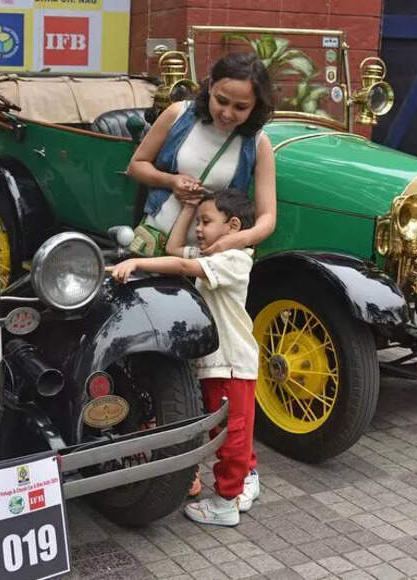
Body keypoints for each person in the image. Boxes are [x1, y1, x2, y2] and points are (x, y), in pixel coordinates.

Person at [106, 188, 260, 526]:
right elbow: (175, 248)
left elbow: (179, 263)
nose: (200, 229)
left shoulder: (234, 259)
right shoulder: (214, 253)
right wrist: (189, 208)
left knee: (230, 434)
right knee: (235, 429)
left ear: (233, 225)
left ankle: (225, 502)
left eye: (206, 221)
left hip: (230, 362)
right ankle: (246, 481)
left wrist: (135, 261)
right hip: (223, 363)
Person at [126, 51, 277, 256]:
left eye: (240, 107)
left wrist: (237, 240)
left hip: (208, 258)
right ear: (211, 85)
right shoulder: (177, 114)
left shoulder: (259, 144)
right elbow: (136, 165)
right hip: (155, 241)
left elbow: (267, 217)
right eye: (221, 101)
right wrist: (171, 181)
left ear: (256, 105)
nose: (227, 113)